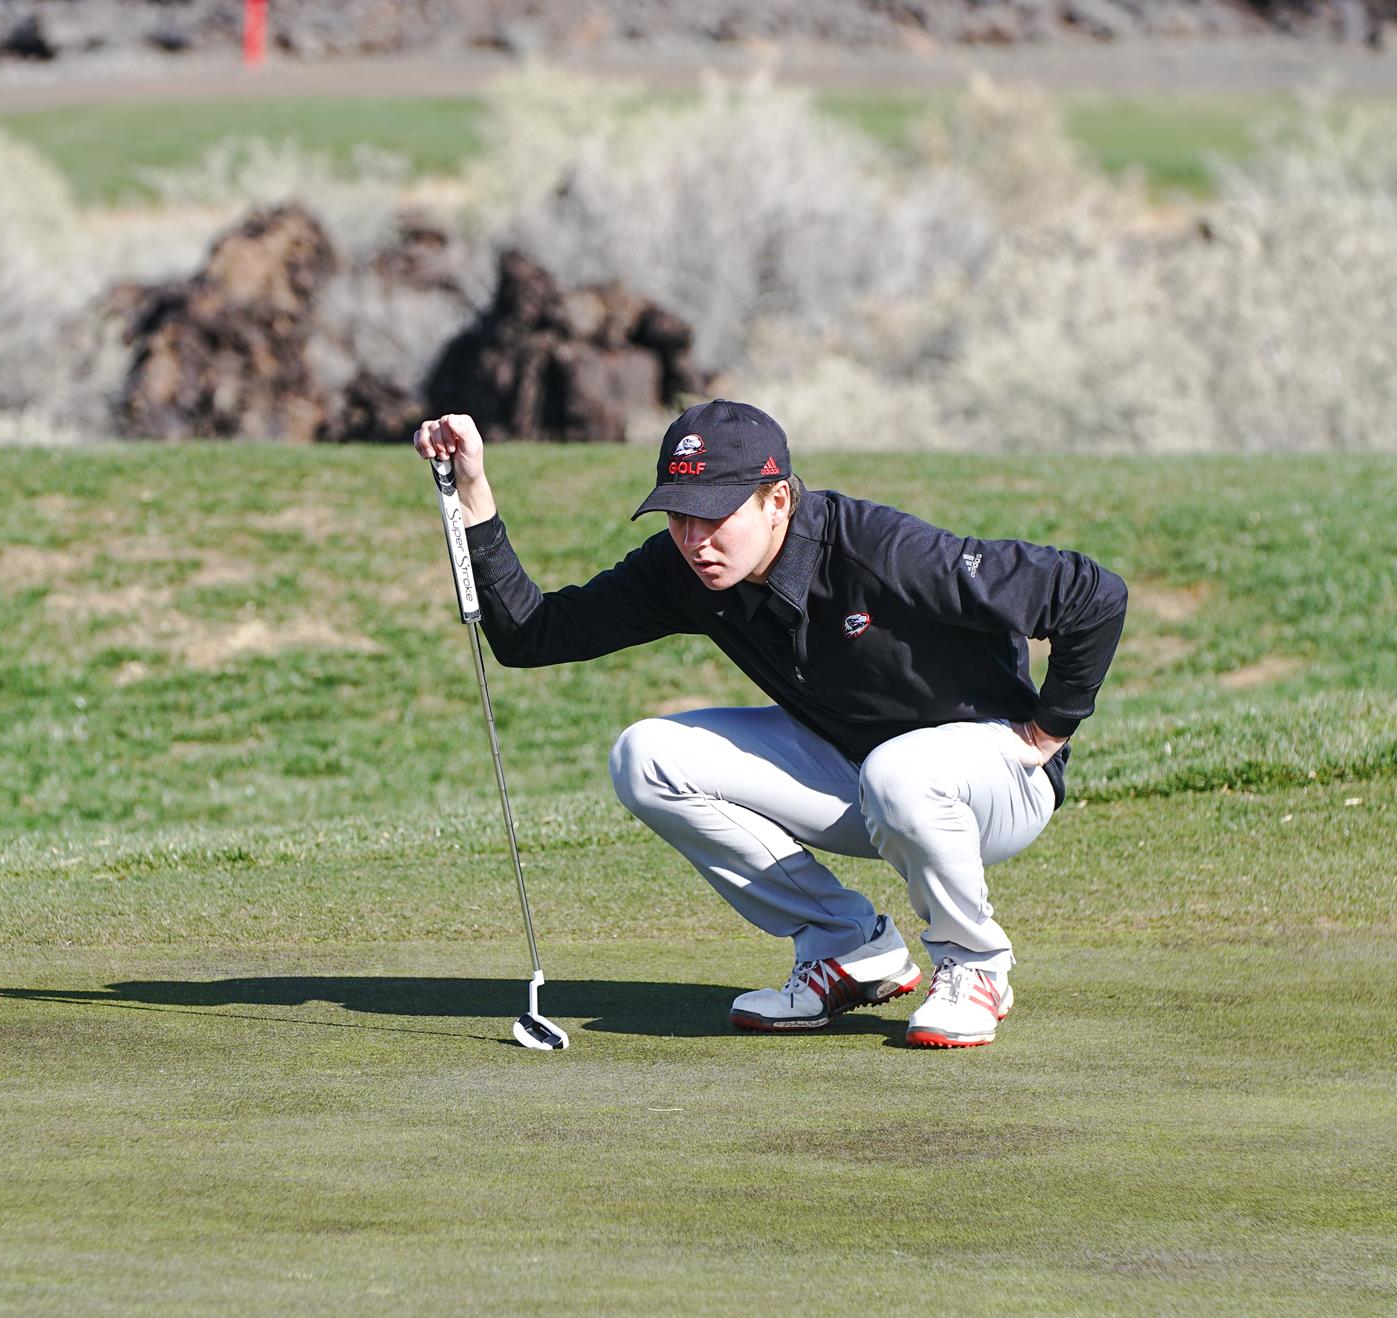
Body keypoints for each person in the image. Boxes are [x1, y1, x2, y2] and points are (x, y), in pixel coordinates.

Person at [413, 400, 1127, 1049]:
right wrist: (473, 492)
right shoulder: (684, 570)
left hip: (993, 786)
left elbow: (1092, 596)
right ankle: (847, 946)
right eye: (679, 516)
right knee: (646, 756)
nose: (696, 540)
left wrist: (1045, 734)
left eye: (715, 515)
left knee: (902, 771)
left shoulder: (880, 549)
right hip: (857, 773)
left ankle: (975, 967)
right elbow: (533, 635)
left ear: (778, 499)